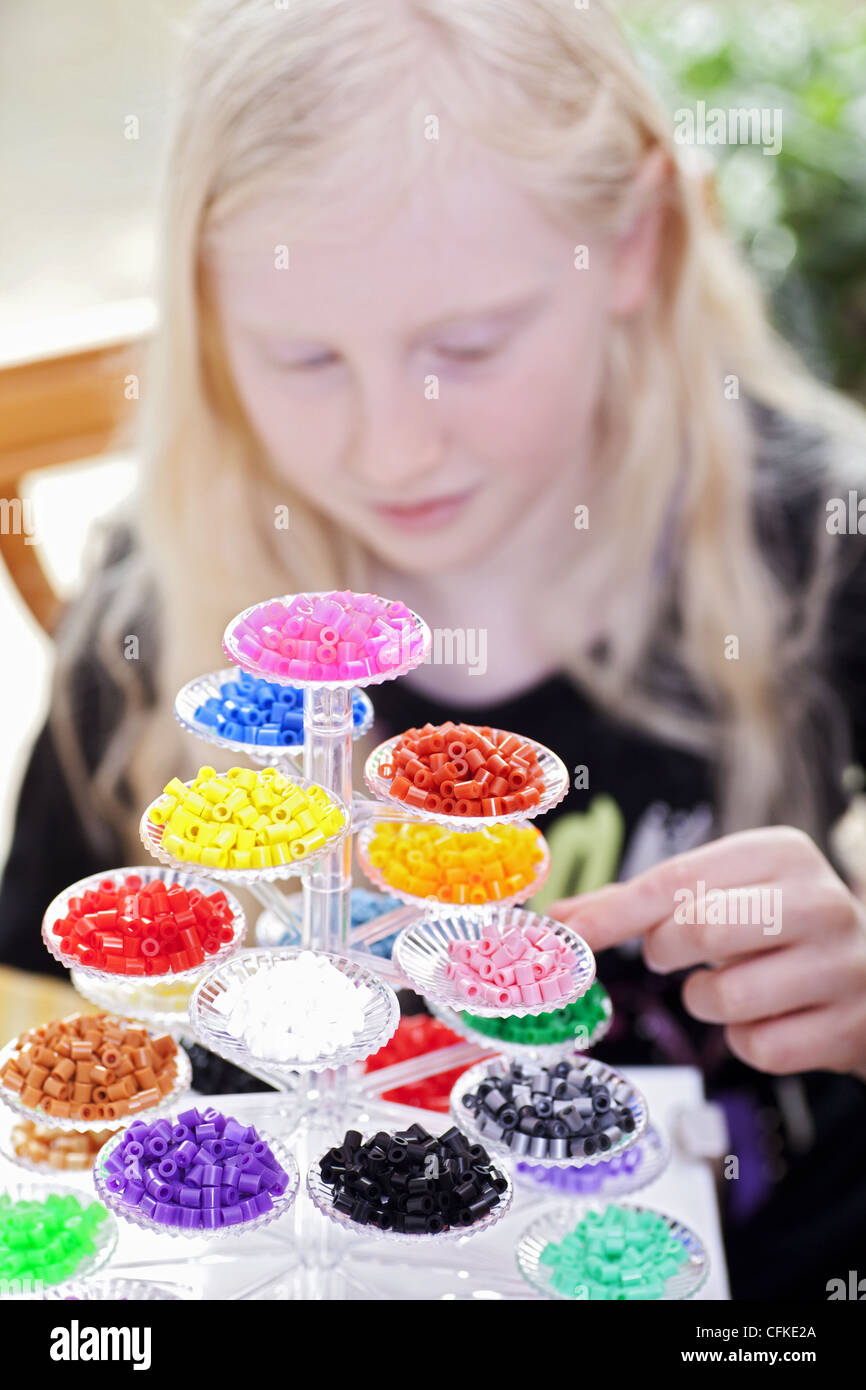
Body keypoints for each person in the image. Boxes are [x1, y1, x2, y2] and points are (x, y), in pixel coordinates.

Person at [1, 0, 865, 1298]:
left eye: (468, 347)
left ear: (629, 244)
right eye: (301, 354)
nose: (390, 449)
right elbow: (46, 1037)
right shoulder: (148, 635)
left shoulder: (820, 551)